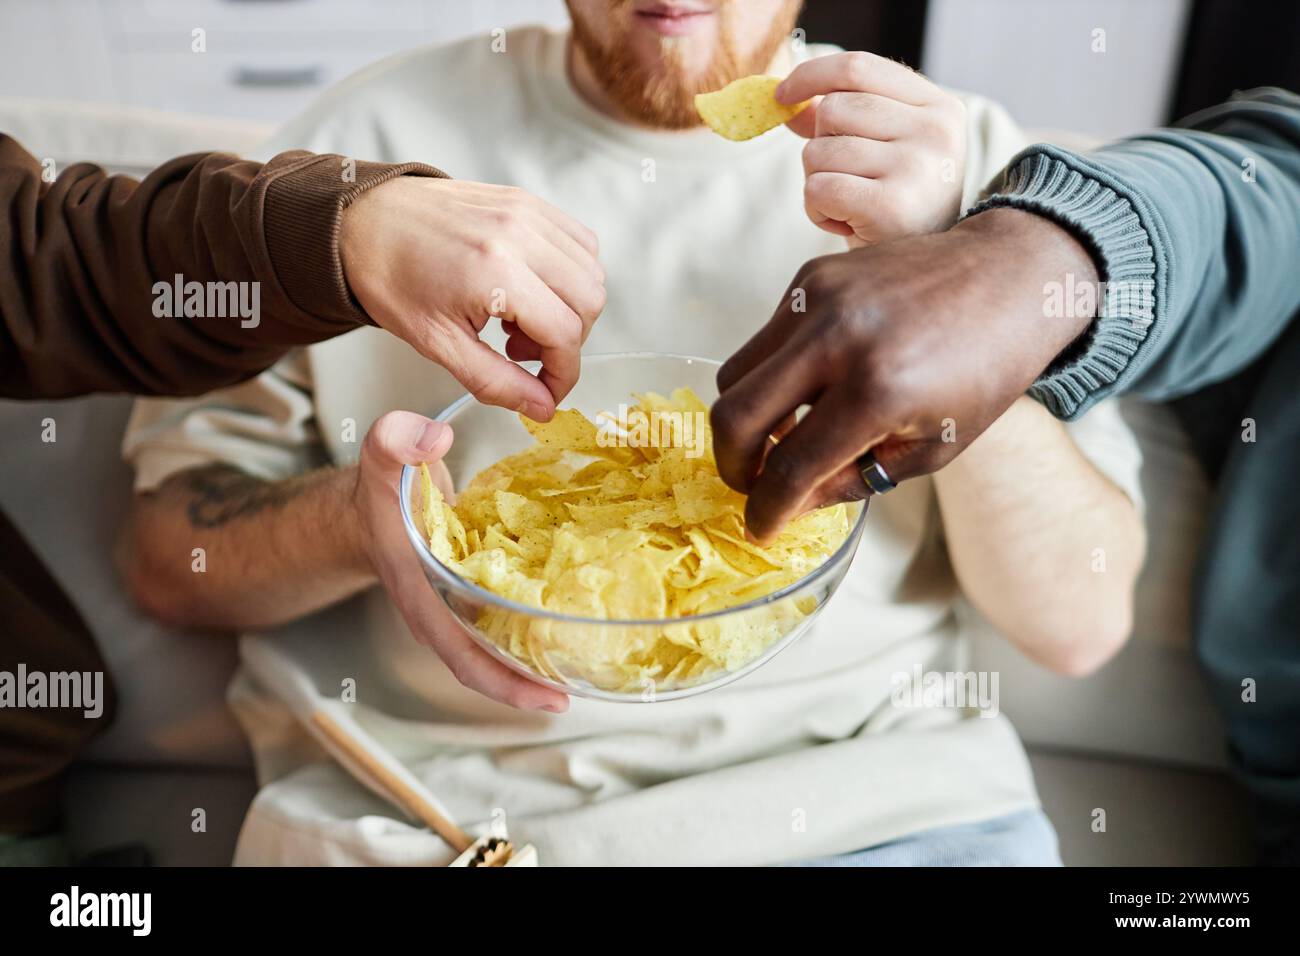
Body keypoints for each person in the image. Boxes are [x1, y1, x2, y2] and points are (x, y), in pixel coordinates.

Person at [118, 1, 1145, 865]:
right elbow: (171, 560)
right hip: (453, 827)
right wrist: (360, 518)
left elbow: (1078, 620)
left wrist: (942, 299)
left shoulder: (971, 175)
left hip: (892, 813)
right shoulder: (353, 160)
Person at [712, 86, 1300, 863]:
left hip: (904, 814)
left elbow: (1078, 629)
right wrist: (1018, 258)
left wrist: (951, 269)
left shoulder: (947, 152)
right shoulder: (489, 162)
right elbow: (1263, 186)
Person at [0, 133, 604, 863]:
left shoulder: (786, 195)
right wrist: (354, 520)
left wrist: (345, 230)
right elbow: (170, 557)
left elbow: (54, 265)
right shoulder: (364, 123)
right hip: (417, 824)